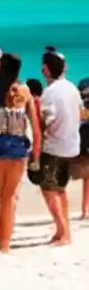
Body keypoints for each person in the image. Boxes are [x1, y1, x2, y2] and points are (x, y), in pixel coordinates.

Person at [0, 54, 39, 253]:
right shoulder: (25, 91)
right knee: (9, 197)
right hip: (18, 146)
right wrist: (37, 153)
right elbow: (35, 126)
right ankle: (5, 244)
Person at [37, 49, 84, 245]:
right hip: (71, 145)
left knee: (49, 189)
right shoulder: (72, 87)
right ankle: (62, 230)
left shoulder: (49, 92)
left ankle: (63, 232)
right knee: (60, 189)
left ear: (45, 70)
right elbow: (81, 113)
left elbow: (46, 119)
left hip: (54, 146)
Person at [77, 78, 89, 219]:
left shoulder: (83, 83)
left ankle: (85, 209)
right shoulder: (84, 82)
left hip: (83, 129)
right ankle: (85, 209)